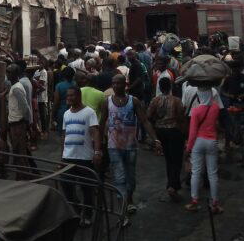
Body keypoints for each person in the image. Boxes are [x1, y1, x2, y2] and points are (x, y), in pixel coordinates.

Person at [106, 75, 148, 213]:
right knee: (119, 175)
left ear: (125, 85)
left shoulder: (133, 101)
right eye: (113, 83)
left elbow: (144, 120)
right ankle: (122, 204)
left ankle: (129, 199)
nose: (115, 86)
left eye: (118, 83)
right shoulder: (107, 102)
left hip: (130, 146)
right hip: (113, 146)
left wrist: (155, 139)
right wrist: (98, 145)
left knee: (130, 175)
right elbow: (101, 123)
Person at [60, 86, 101, 224]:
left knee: (87, 188)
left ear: (79, 96)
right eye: (68, 96)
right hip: (68, 156)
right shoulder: (66, 114)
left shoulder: (89, 112)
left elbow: (95, 132)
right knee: (66, 185)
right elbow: (64, 135)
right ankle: (77, 211)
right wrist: (62, 156)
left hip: (85, 157)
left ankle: (88, 216)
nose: (69, 98)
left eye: (72, 95)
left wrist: (97, 152)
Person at [146, 77, 188, 200]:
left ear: (160, 87)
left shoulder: (155, 100)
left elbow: (148, 116)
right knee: (176, 160)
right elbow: (181, 118)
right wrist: (185, 134)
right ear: (170, 87)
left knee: (169, 160)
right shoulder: (176, 101)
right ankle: (173, 186)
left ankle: (171, 184)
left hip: (160, 132)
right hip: (174, 132)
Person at [185, 96, 221, 213]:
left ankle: (194, 201)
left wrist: (188, 148)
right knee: (213, 173)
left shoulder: (195, 110)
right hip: (212, 141)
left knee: (196, 172)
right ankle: (215, 203)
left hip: (198, 142)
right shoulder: (215, 108)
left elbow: (192, 133)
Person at [4, 64, 35, 173]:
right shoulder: (14, 87)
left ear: (15, 74)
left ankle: (25, 175)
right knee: (20, 151)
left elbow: (25, 107)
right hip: (16, 124)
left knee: (20, 152)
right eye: (7, 71)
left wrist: (27, 124)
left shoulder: (16, 88)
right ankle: (28, 173)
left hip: (18, 124)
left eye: (9, 72)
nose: (7, 74)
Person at [53, 66, 77, 133]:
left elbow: (56, 102)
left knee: (62, 133)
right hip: (74, 111)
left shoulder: (59, 86)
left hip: (62, 111)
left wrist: (53, 116)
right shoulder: (75, 84)